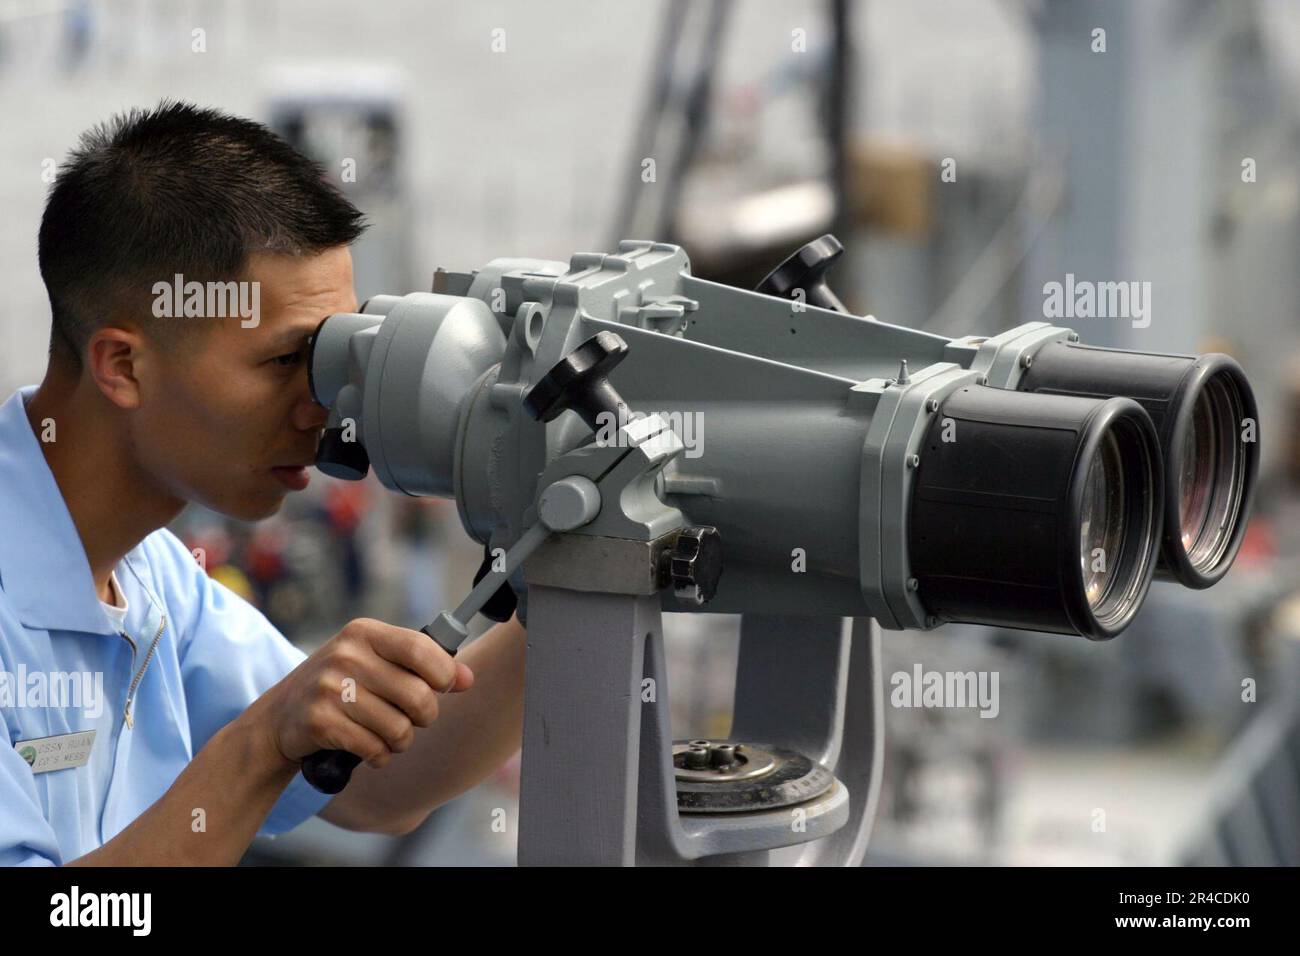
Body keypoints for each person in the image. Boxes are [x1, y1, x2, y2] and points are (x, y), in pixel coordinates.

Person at [0, 101, 527, 866]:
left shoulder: (151, 582)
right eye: (287, 361)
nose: (323, 406)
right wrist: (260, 743)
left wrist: (567, 587)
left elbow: (377, 785)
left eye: (336, 358)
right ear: (122, 366)